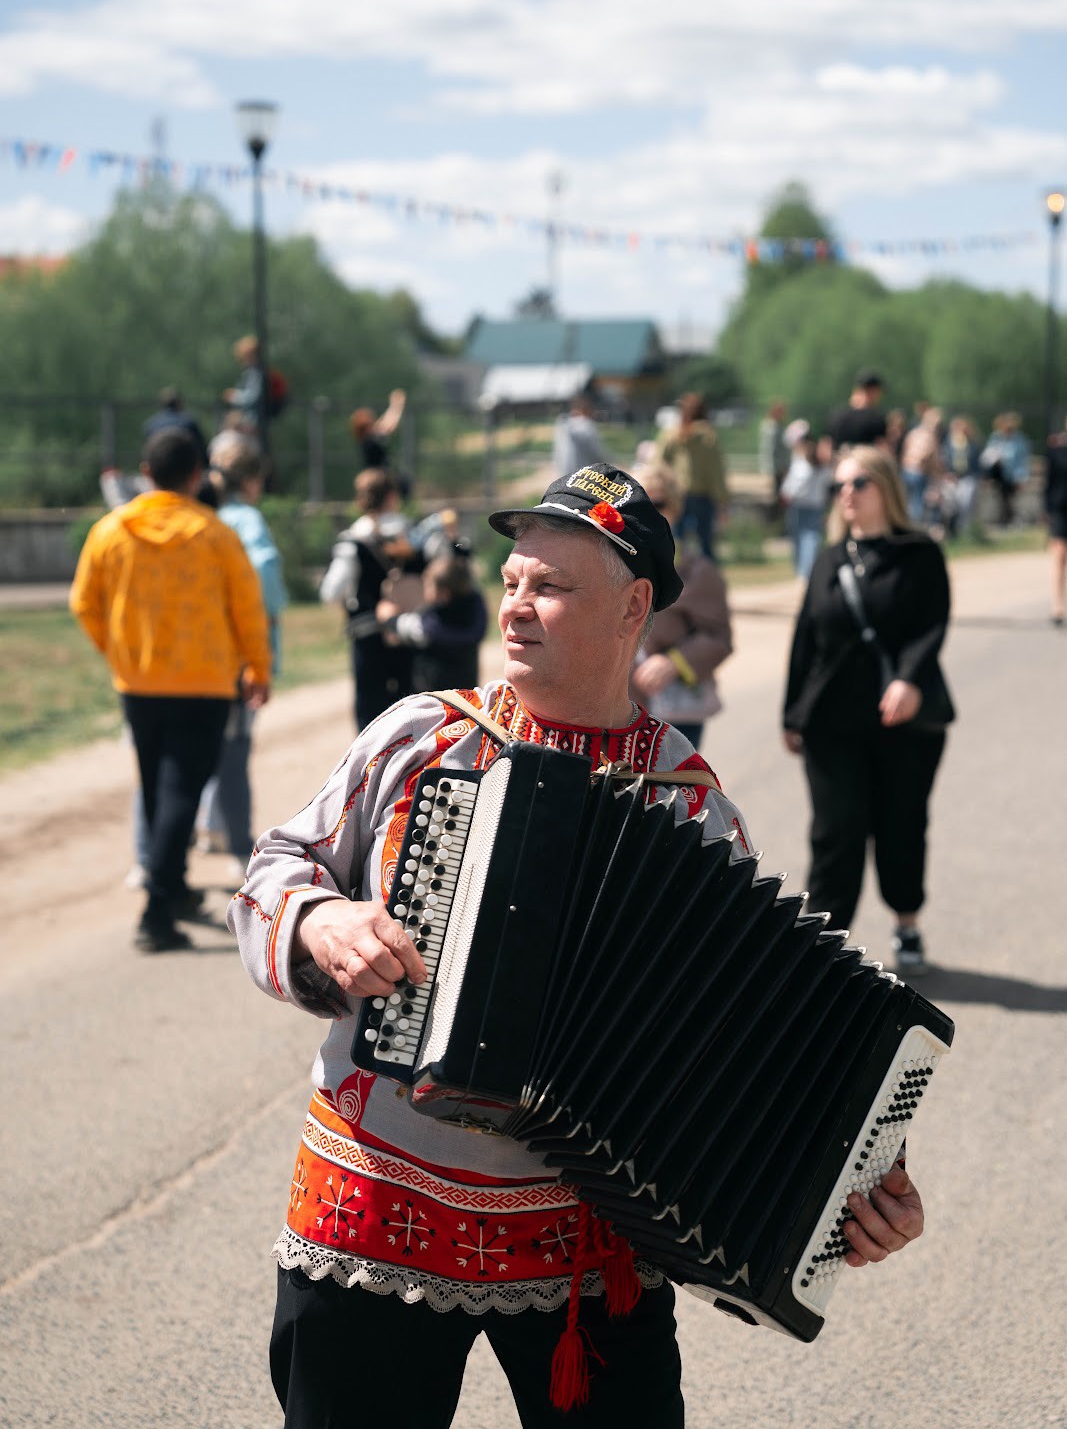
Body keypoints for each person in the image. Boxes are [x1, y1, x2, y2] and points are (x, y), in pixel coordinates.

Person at [228, 458, 925, 1429]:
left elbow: (752, 1050)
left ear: (633, 606)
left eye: (549, 587)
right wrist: (318, 919)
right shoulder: (418, 738)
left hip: (584, 1255)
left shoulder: (691, 808)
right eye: (512, 581)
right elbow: (269, 873)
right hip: (371, 1212)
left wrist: (848, 1190)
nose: (514, 606)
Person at [70, 428, 271, 951]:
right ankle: (156, 913)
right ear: (197, 475)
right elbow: (247, 610)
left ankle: (175, 886)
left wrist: (116, 652)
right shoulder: (215, 534)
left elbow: (83, 602)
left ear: (146, 471)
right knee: (182, 790)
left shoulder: (110, 530)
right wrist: (258, 668)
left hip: (137, 682)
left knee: (160, 788)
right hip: (204, 684)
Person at [782, 446, 955, 979]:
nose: (847, 495)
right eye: (839, 486)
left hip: (903, 721)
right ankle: (826, 943)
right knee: (836, 831)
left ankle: (907, 925)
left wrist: (908, 678)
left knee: (901, 825)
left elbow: (932, 625)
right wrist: (792, 713)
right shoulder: (830, 559)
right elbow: (806, 638)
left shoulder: (920, 553)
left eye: (859, 483)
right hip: (831, 723)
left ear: (886, 488)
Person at [195, 442, 288, 872]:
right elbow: (264, 568)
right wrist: (266, 609)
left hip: (198, 648)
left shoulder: (201, 514)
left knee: (198, 745)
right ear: (251, 481)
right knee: (234, 748)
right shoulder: (246, 518)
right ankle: (236, 844)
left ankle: (207, 825)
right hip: (237, 652)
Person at [629, 463, 733, 749]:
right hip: (617, 709)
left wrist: (675, 662)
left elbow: (719, 638)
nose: (647, 513)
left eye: (657, 503)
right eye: (637, 503)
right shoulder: (606, 568)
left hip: (675, 711)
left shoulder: (698, 572)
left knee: (668, 792)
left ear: (675, 508)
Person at [318, 467, 419, 731]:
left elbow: (331, 592)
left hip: (367, 633)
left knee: (370, 708)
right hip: (405, 629)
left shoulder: (353, 540)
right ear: (391, 496)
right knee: (408, 704)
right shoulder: (410, 533)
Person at [376, 552, 488, 692]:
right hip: (467, 689)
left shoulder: (433, 620)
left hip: (436, 694)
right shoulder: (474, 606)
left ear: (444, 594)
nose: (425, 591)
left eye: (429, 586)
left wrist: (390, 619)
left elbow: (415, 628)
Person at [656, 393, 729, 560]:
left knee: (677, 543)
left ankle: (679, 581)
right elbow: (715, 470)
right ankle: (708, 581)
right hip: (702, 495)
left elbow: (659, 461)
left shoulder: (672, 433)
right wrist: (722, 498)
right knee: (705, 544)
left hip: (677, 494)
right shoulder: (708, 436)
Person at [779, 423, 832, 579]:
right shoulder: (821, 461)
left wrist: (785, 494)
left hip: (800, 505)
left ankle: (805, 573)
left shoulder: (803, 461)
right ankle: (806, 571)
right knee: (811, 539)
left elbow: (794, 484)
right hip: (816, 504)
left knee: (804, 540)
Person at [980, 411, 1031, 525]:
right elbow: (988, 455)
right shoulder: (996, 438)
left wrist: (1021, 478)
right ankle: (1006, 518)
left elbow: (1022, 461)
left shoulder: (1020, 440)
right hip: (998, 474)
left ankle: (1007, 518)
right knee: (1003, 494)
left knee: (1007, 494)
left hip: (1012, 475)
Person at [142, 387, 210, 467]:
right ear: (179, 403)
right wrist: (206, 465)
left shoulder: (151, 424)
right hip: (185, 466)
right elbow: (200, 447)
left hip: (160, 467)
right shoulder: (189, 422)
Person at [899, 407, 944, 525]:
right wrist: (937, 473)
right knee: (917, 502)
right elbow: (930, 456)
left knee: (908, 500)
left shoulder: (914, 433)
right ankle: (915, 526)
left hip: (906, 469)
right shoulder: (930, 436)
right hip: (919, 471)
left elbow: (905, 450)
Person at [943, 416, 983, 537]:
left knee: (966, 502)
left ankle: (965, 530)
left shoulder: (973, 443)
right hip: (952, 477)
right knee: (949, 504)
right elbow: (944, 461)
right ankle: (951, 530)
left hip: (968, 476)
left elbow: (977, 463)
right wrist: (948, 474)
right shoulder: (948, 444)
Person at [827, 370, 888, 451]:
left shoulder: (836, 415)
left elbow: (826, 447)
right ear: (873, 391)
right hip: (865, 462)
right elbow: (882, 448)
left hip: (841, 462)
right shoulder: (876, 418)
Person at [349, 389, 407, 473]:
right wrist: (397, 405)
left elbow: (384, 423)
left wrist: (393, 405)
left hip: (374, 474)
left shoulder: (368, 437)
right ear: (367, 426)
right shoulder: (371, 440)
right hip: (378, 476)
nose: (374, 423)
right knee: (404, 483)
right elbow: (388, 426)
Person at [1044, 416, 1067, 626]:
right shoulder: (1056, 450)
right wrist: (1047, 510)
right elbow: (1049, 482)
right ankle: (1057, 606)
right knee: (1059, 556)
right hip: (1061, 509)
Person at [554, 391, 605, 477]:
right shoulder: (587, 425)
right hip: (583, 475)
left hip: (563, 473)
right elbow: (596, 453)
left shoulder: (562, 423)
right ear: (586, 408)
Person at [757, 400, 789, 502]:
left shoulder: (779, 425)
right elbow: (769, 450)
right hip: (776, 466)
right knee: (775, 494)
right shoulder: (771, 427)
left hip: (780, 465)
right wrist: (769, 470)